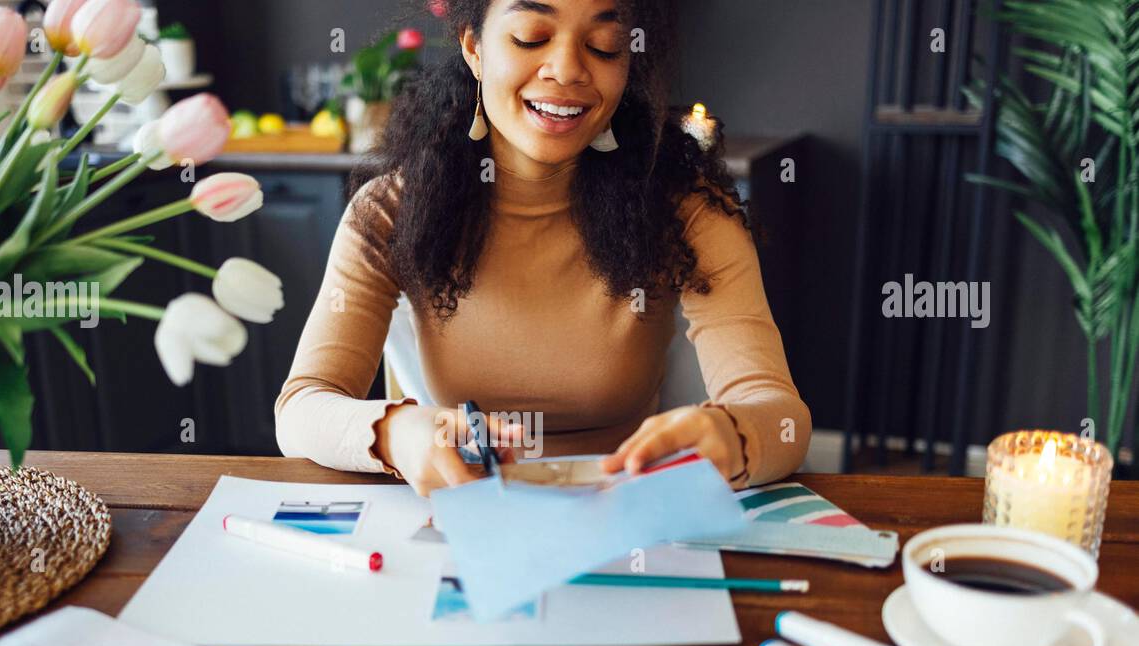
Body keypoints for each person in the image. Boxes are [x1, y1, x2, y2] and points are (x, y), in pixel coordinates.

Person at [276, 0, 810, 496]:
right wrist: (396, 433)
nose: (568, 69)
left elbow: (780, 414)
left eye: (604, 45)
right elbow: (302, 407)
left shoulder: (688, 212)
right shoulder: (391, 211)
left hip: (631, 513)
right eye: (531, 38)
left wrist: (733, 434)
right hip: (464, 512)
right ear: (473, 48)